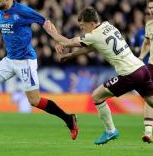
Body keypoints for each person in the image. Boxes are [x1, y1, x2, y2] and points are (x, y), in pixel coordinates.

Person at [0, 0, 78, 140]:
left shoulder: (22, 11)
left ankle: (69, 119)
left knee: (34, 101)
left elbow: (45, 21)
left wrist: (57, 38)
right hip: (9, 60)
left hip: (25, 61)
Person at [51, 7, 153, 145]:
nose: (82, 29)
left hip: (129, 74)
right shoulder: (107, 26)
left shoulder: (93, 35)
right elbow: (94, 47)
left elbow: (66, 42)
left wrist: (50, 30)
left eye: (83, 26)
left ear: (91, 23)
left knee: (97, 96)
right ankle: (111, 130)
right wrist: (72, 55)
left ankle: (110, 131)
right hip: (141, 68)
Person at [139, 0, 153, 143]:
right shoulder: (149, 25)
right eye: (149, 8)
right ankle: (148, 132)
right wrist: (141, 56)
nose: (151, 10)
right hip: (152, 65)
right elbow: (147, 42)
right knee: (149, 97)